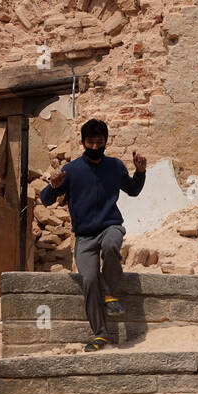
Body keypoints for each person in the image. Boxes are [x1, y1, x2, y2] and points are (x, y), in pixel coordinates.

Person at [39, 118, 146, 351]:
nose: (95, 147)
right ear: (83, 142)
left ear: (106, 141)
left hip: (110, 226)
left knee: (110, 247)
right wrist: (54, 186)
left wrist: (140, 172)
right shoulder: (71, 170)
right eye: (91, 142)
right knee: (88, 279)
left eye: (99, 142)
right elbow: (45, 200)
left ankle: (110, 293)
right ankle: (100, 334)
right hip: (84, 236)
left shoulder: (115, 166)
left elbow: (134, 190)